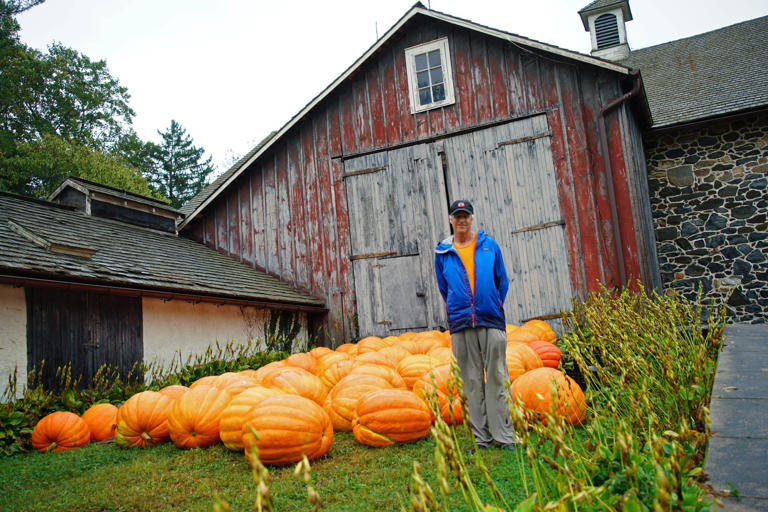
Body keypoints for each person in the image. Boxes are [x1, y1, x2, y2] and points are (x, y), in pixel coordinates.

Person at [434, 199, 517, 451]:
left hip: (490, 320)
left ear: (472, 218)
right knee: (470, 381)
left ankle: (505, 437)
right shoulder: (442, 252)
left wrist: (490, 305)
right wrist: (461, 309)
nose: (461, 220)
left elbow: (501, 281)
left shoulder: (488, 246)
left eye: (466, 216)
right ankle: (482, 439)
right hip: (461, 324)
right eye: (457, 216)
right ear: (450, 219)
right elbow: (444, 288)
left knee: (497, 377)